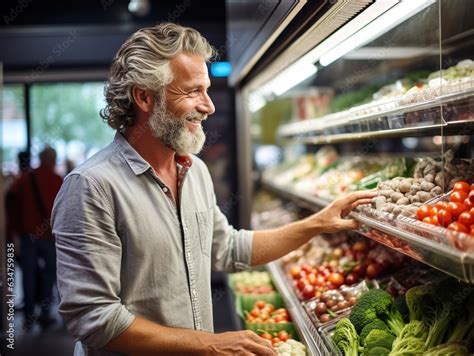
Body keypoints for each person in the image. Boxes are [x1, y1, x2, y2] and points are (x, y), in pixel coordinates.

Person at [52, 23, 376, 356]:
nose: (209, 106)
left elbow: (229, 248)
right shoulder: (91, 187)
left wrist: (317, 223)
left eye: (206, 90)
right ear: (144, 97)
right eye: (192, 91)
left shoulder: (195, 171)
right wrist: (209, 343)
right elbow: (93, 317)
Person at [10, 146, 63, 330]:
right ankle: (46, 313)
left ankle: (29, 315)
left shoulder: (26, 179)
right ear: (52, 159)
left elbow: (13, 205)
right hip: (49, 236)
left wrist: (14, 232)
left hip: (27, 235)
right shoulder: (57, 180)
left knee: (28, 276)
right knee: (51, 274)